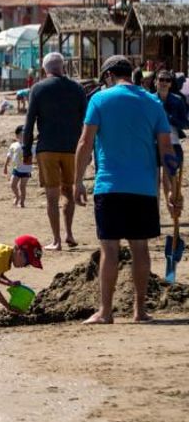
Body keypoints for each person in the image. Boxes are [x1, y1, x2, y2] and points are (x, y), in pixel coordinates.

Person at [75, 55, 174, 324]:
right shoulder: (152, 101)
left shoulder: (100, 99)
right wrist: (172, 189)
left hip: (110, 185)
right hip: (143, 187)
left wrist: (77, 181)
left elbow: (85, 143)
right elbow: (166, 150)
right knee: (140, 248)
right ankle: (139, 311)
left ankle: (106, 311)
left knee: (109, 248)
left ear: (108, 76)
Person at [23, 51, 88, 251]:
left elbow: (29, 122)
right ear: (63, 67)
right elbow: (86, 120)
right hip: (72, 148)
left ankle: (56, 240)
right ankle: (69, 233)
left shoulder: (38, 88)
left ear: (45, 69)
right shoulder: (77, 88)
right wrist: (88, 149)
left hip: (47, 148)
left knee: (52, 196)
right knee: (68, 190)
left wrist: (26, 151)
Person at [154, 69, 188, 212]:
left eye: (167, 80)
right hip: (153, 144)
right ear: (156, 81)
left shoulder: (178, 100)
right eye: (161, 79)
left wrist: (169, 118)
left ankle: (174, 213)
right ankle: (155, 218)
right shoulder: (149, 100)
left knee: (170, 181)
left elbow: (186, 124)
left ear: (170, 83)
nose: (164, 83)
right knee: (154, 182)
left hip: (173, 144)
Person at [4, 125, 33, 207]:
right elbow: (9, 155)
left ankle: (22, 202)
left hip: (26, 170)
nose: (24, 137)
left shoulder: (30, 146)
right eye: (22, 135)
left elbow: (36, 157)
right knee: (12, 185)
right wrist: (5, 166)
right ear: (17, 136)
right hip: (16, 169)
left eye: (26, 135)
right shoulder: (14, 145)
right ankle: (17, 197)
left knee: (22, 186)